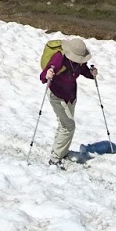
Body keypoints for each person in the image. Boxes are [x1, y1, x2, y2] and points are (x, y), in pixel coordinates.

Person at [40, 37, 97, 167]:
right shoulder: (59, 58)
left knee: (64, 125)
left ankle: (61, 152)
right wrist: (47, 74)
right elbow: (43, 76)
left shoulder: (79, 62)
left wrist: (92, 73)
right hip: (57, 96)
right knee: (68, 126)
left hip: (71, 95)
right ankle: (55, 159)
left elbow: (83, 71)